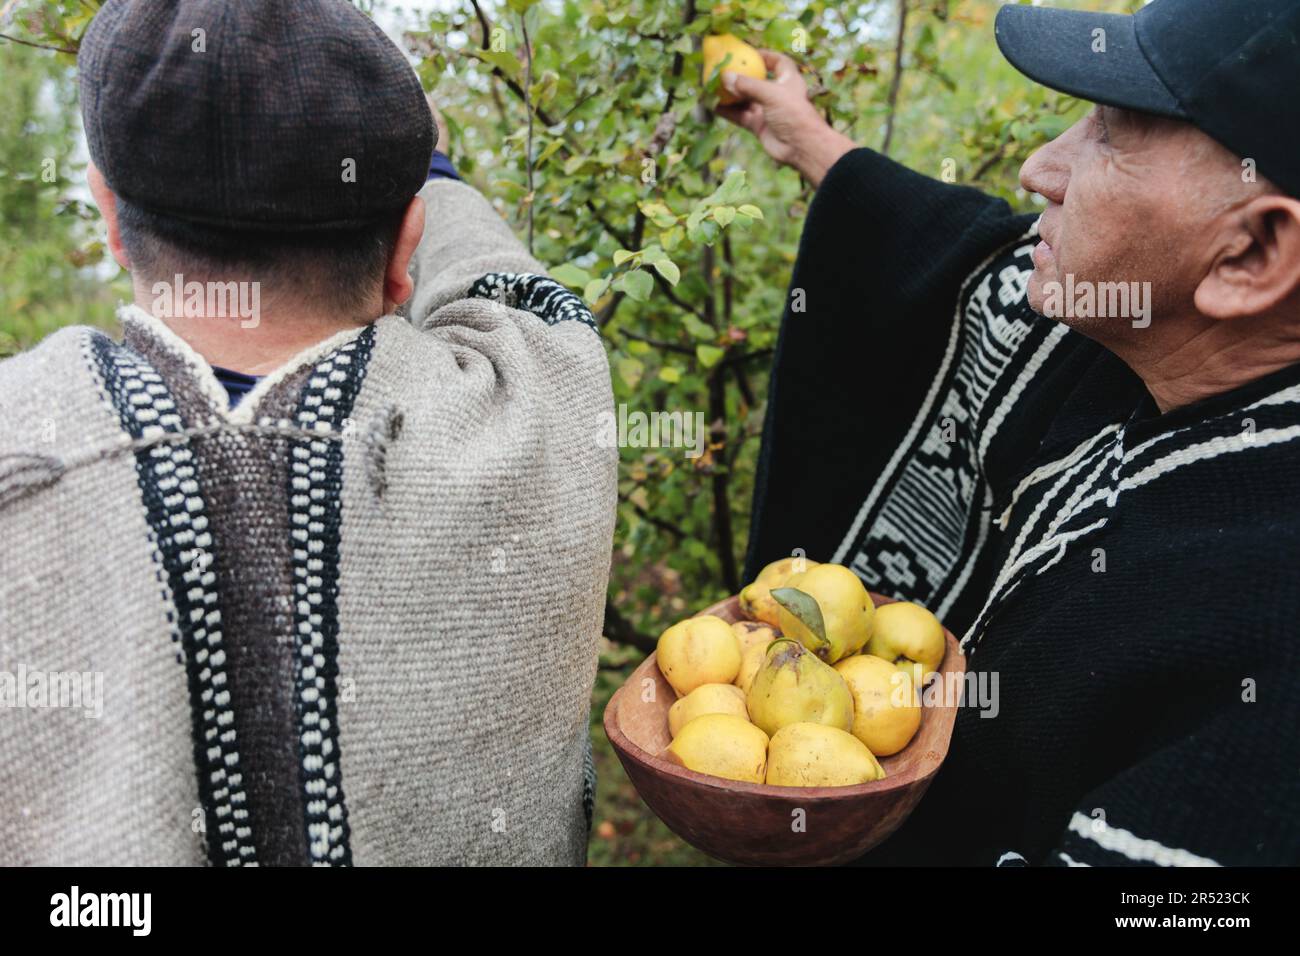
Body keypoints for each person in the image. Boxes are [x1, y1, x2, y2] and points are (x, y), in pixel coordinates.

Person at [0, 0, 615, 866]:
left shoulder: (25, 450)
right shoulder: (545, 411)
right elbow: (514, 294)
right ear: (407, 243)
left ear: (108, 214)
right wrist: (434, 171)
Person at [721, 0, 1300, 865]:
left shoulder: (1269, 671)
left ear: (1252, 255)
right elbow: (956, 251)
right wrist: (802, 132)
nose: (1039, 168)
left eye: (1110, 131)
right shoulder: (1134, 338)